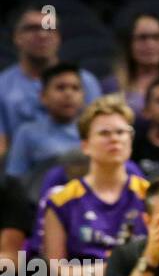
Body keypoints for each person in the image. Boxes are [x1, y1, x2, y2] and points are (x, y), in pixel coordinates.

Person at [43, 95, 151, 276]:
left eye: (121, 132)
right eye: (104, 133)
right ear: (85, 145)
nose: (114, 139)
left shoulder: (150, 196)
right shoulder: (62, 200)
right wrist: (109, 267)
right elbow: (55, 272)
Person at [0, 10, 102, 162]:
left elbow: (99, 133)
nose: (42, 35)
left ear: (58, 37)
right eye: (32, 28)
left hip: (82, 165)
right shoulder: (3, 85)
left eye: (49, 28)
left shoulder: (86, 82)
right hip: (25, 171)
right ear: (16, 37)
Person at [5, 63, 85, 177]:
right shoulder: (27, 133)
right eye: (60, 88)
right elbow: (14, 179)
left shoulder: (92, 132)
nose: (69, 94)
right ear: (43, 96)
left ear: (83, 96)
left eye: (75, 88)